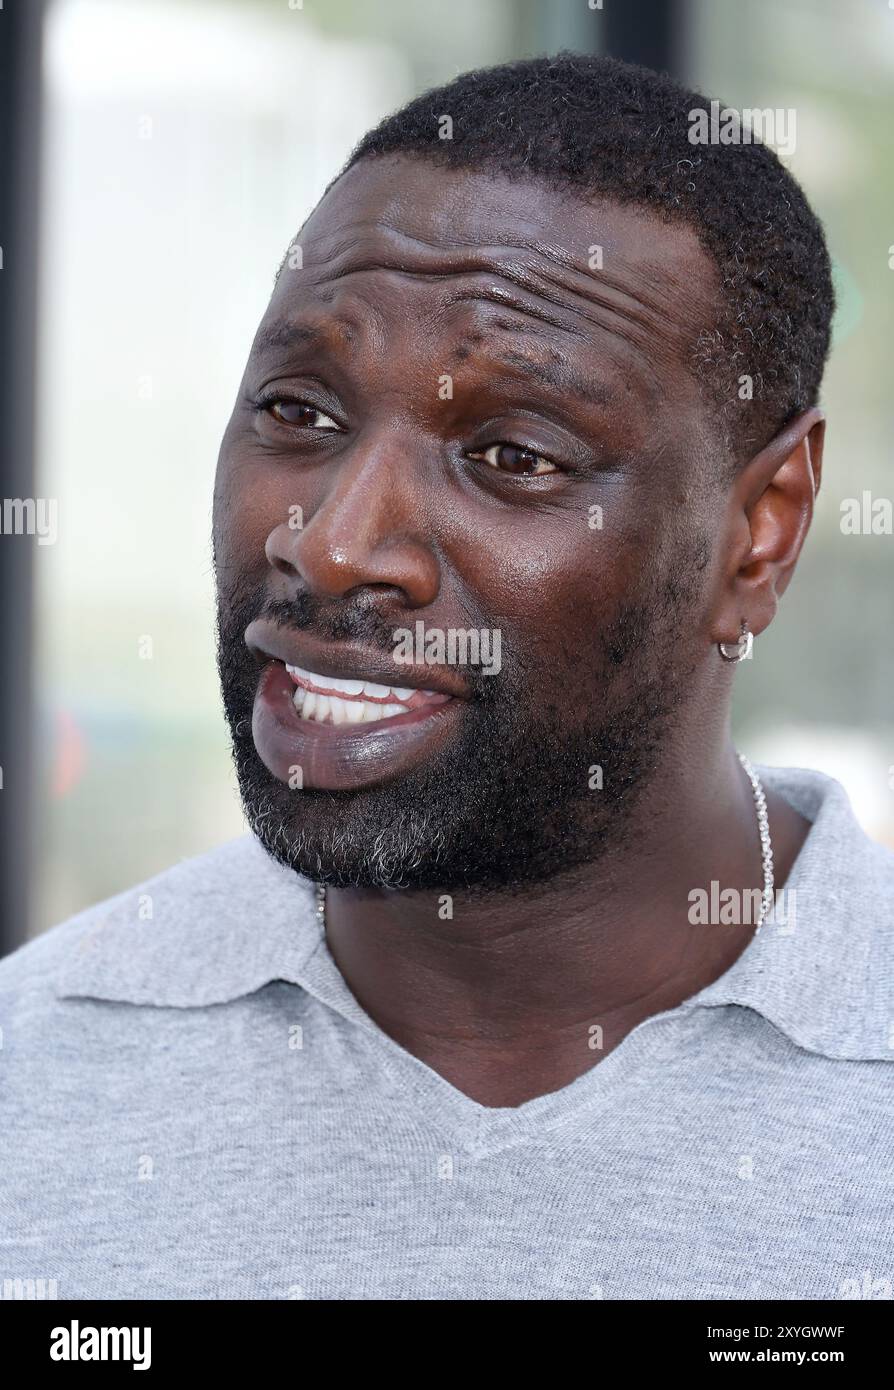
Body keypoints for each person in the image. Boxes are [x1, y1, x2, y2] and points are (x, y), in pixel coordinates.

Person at [1, 53, 891, 1302]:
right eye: (301, 412)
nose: (332, 542)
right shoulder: (34, 1077)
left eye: (513, 452)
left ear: (761, 530)